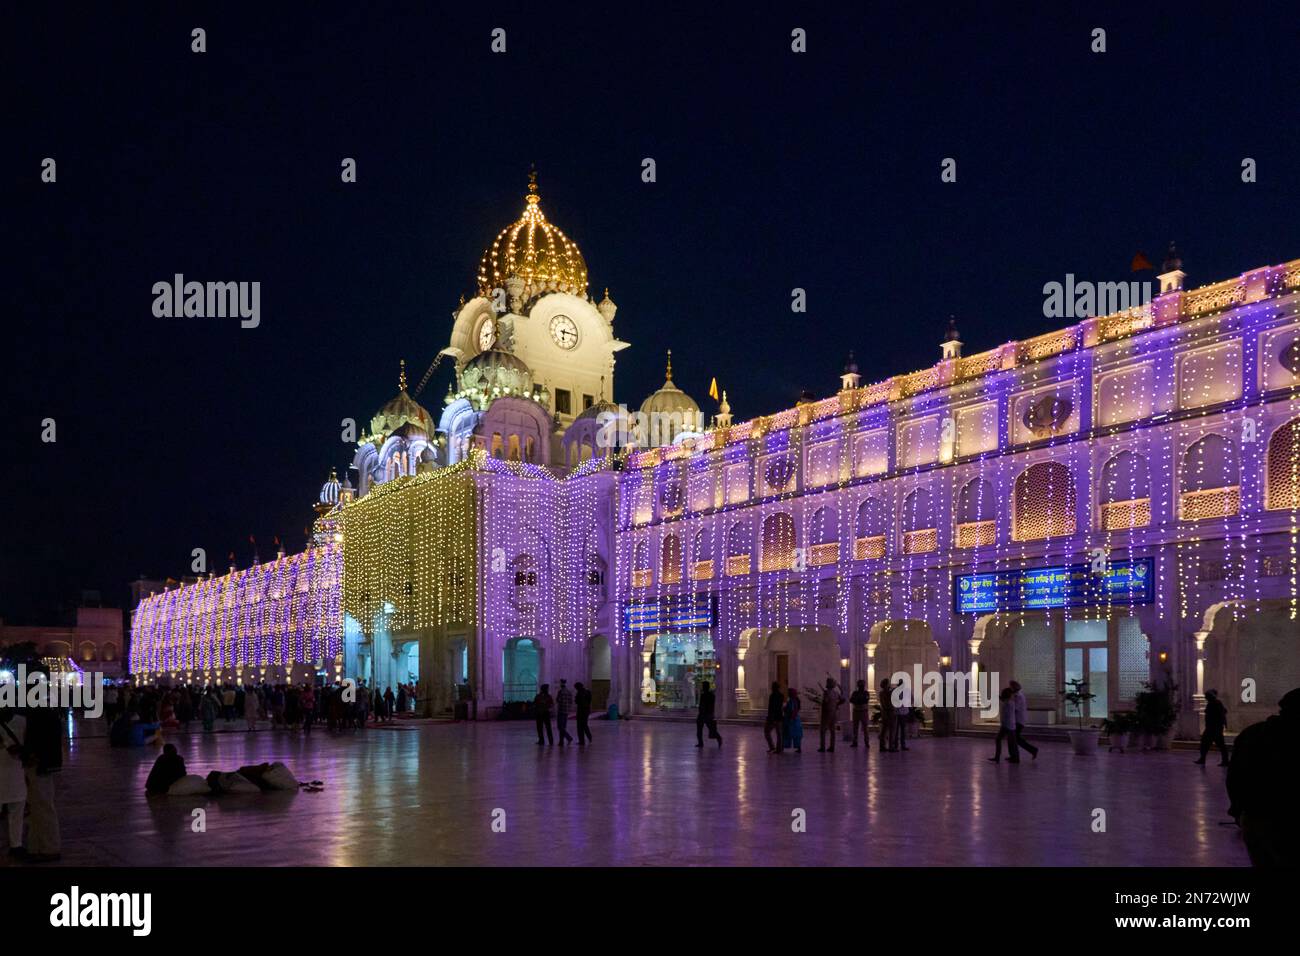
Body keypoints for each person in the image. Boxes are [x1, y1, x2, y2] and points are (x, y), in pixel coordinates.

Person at [1226, 687, 1300, 866]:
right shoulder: (1292, 739)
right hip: (1285, 822)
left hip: (1254, 819)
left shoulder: (1251, 734)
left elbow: (1234, 777)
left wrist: (1238, 811)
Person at [21, 671, 63, 863]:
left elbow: (42, 739)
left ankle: (49, 847)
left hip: (40, 764)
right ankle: (36, 845)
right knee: (37, 806)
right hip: (42, 763)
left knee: (43, 805)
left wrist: (33, 756)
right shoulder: (44, 709)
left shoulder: (41, 711)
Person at [0, 708, 27, 856]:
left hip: (13, 770)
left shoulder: (22, 721)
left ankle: (16, 844)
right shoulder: (23, 721)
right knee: (16, 810)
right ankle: (16, 844)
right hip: (16, 770)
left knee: (17, 808)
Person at [1196, 689, 1229, 766]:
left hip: (1215, 728)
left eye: (1207, 697)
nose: (1206, 698)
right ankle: (1202, 759)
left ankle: (1225, 761)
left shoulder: (1217, 703)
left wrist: (1222, 724)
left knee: (1220, 745)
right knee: (1205, 744)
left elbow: (1222, 713)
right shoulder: (1211, 703)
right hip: (1211, 728)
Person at [989, 688, 1020, 763]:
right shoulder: (1009, 702)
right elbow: (1003, 700)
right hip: (1008, 725)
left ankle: (1013, 758)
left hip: (1008, 726)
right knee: (1010, 742)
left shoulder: (1009, 703)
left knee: (1009, 742)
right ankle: (1012, 758)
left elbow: (1004, 701)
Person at [1008, 680, 1037, 760]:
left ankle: (1032, 750)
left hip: (1018, 720)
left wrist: (1009, 704)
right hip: (1018, 720)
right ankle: (1031, 750)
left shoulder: (1018, 696)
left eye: (1011, 686)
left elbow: (1016, 708)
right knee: (1015, 738)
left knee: (1014, 738)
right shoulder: (1018, 695)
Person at [695, 681, 722, 748]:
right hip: (704, 714)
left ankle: (718, 738)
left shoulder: (707, 695)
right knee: (701, 730)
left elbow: (705, 705)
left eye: (703, 686)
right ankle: (701, 743)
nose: (702, 687)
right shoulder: (709, 695)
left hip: (706, 714)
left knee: (709, 729)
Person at [818, 677, 842, 752]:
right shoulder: (836, 693)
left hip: (827, 712)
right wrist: (836, 705)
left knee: (823, 730)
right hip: (834, 712)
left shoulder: (826, 692)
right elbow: (842, 699)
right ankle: (832, 746)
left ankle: (822, 747)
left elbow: (825, 701)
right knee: (832, 730)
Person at [849, 679, 871, 749]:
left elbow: (865, 700)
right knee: (855, 728)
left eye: (862, 685)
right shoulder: (855, 693)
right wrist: (859, 700)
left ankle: (866, 742)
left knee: (865, 728)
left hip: (863, 711)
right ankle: (855, 742)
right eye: (860, 685)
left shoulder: (866, 693)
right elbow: (852, 700)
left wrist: (858, 700)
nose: (861, 686)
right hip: (857, 711)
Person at [764, 682, 785, 754]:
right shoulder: (781, 696)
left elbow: (771, 708)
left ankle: (772, 747)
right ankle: (779, 749)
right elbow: (780, 707)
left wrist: (770, 717)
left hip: (773, 717)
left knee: (767, 732)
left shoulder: (772, 696)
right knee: (779, 734)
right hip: (779, 717)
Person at [878, 678, 897, 751]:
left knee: (884, 730)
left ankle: (882, 746)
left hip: (884, 712)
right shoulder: (888, 693)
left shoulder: (881, 693)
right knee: (892, 730)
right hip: (890, 712)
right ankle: (891, 747)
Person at [784, 688, 804, 753]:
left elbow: (793, 710)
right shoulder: (795, 700)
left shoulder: (792, 701)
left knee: (789, 733)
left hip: (792, 719)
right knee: (796, 734)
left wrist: (791, 718)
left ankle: (784, 746)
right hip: (795, 719)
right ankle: (798, 747)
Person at [555, 679, 574, 745]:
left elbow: (558, 700)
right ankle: (561, 741)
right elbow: (571, 701)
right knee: (563, 726)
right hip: (566, 711)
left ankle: (568, 737)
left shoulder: (560, 692)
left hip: (561, 710)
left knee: (560, 727)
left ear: (561, 684)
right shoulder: (569, 692)